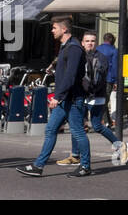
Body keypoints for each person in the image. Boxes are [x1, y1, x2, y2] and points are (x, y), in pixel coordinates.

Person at [17, 16, 92, 178]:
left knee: (78, 132)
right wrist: (55, 69)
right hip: (65, 98)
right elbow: (65, 70)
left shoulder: (73, 48)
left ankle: (85, 166)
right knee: (51, 129)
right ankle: (38, 166)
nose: (52, 31)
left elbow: (71, 76)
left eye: (54, 28)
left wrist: (57, 96)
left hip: (72, 98)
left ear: (64, 29)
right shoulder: (66, 46)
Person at [59, 32, 128, 167]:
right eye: (87, 41)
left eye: (92, 41)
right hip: (82, 96)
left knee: (97, 126)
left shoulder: (100, 57)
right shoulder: (80, 56)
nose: (90, 43)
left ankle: (120, 145)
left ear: (96, 43)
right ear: (82, 43)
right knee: (76, 124)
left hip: (96, 96)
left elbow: (97, 79)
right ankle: (75, 155)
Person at [98, 32, 120, 122]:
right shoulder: (114, 51)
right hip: (108, 78)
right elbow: (115, 66)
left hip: (98, 78)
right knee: (104, 100)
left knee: (102, 99)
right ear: (111, 40)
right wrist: (116, 81)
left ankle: (107, 121)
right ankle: (106, 121)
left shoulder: (97, 48)